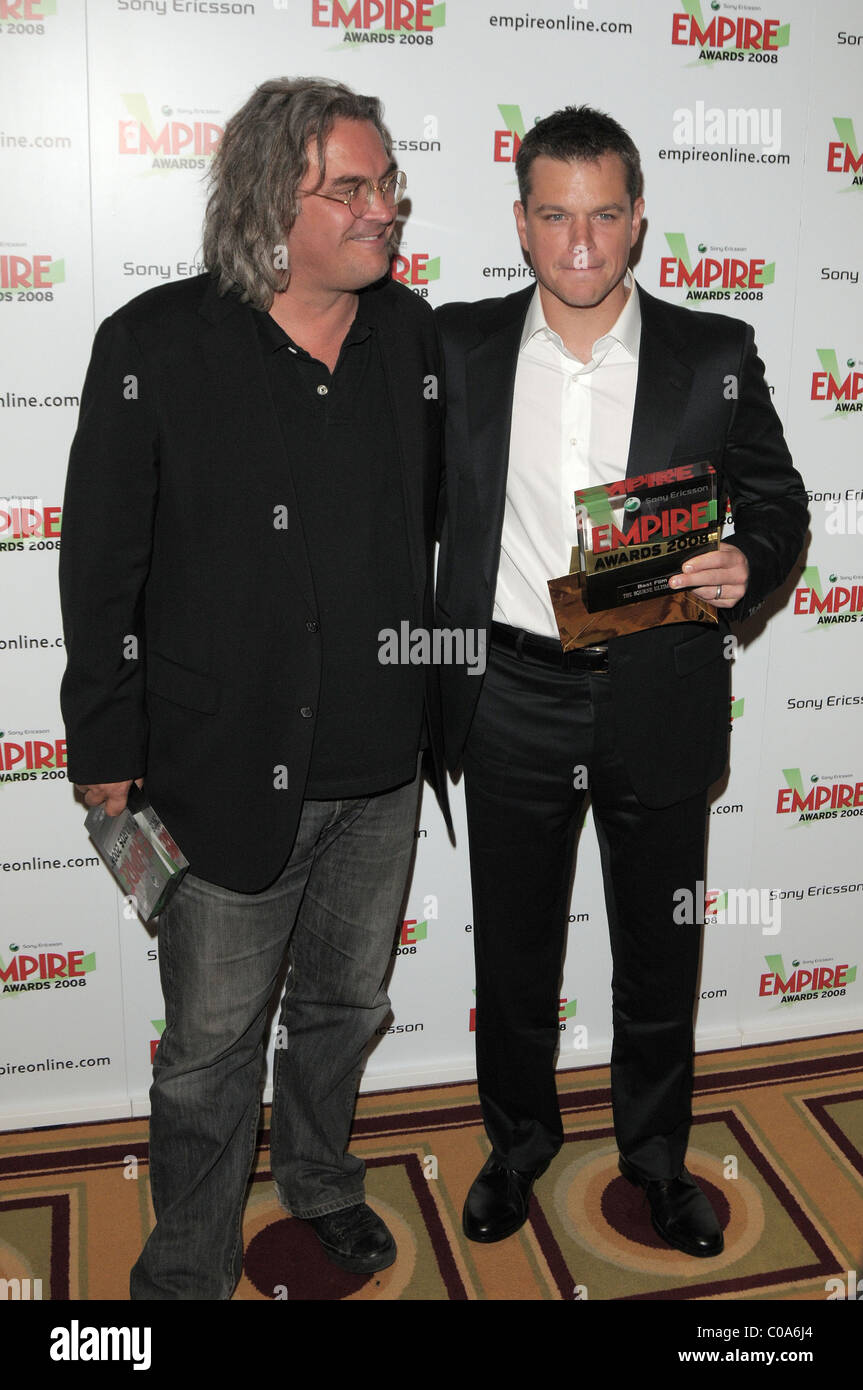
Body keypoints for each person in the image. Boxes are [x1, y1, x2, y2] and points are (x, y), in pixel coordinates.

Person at [59, 77, 447, 1300]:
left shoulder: (414, 337)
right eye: (353, 186)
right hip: (221, 771)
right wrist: (101, 748)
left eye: (388, 183)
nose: (383, 208)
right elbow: (99, 569)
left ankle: (322, 1183)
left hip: (383, 769)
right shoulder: (154, 345)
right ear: (270, 201)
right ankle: (181, 1271)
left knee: (345, 1009)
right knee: (209, 1053)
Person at [435, 106, 808, 1256]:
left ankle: (653, 1159)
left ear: (638, 219)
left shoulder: (713, 352)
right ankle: (516, 1141)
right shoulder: (456, 348)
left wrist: (749, 561)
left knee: (659, 946)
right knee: (513, 948)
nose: (580, 241)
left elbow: (780, 503)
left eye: (603, 214)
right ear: (520, 223)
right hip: (508, 689)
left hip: (656, 681)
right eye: (555, 213)